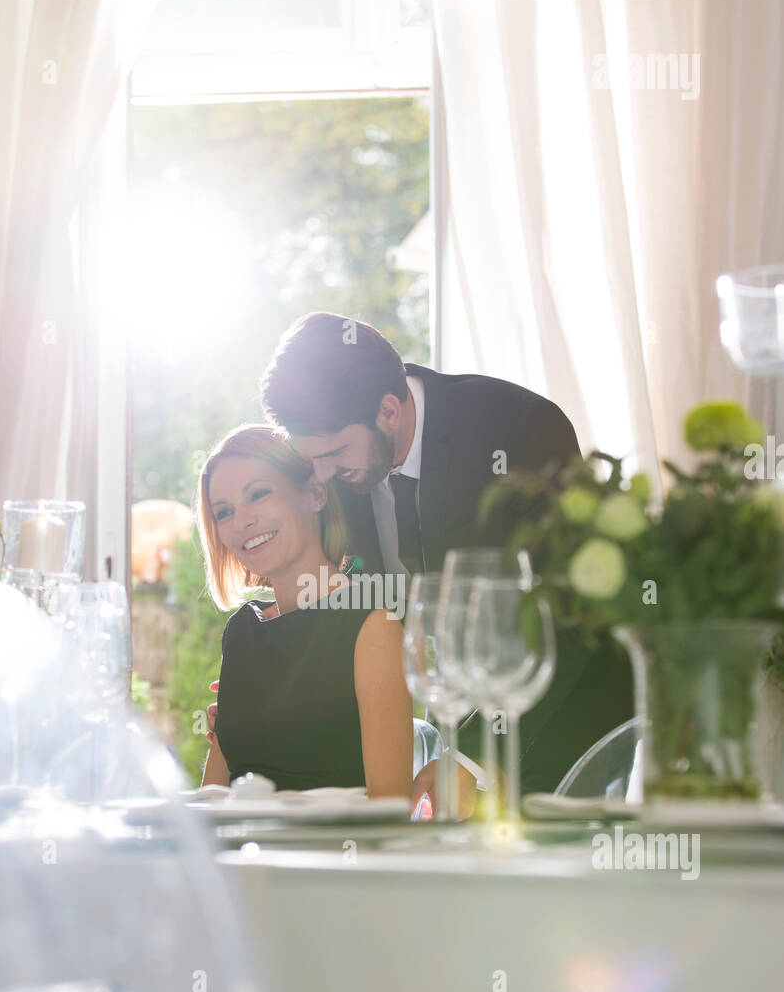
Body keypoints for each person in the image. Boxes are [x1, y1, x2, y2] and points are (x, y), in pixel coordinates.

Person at [257, 311, 634, 810]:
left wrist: (472, 757)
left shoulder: (519, 427)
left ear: (388, 410)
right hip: (454, 730)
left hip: (569, 733)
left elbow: (571, 611)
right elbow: (353, 610)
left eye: (336, 452)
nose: (323, 475)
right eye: (313, 459)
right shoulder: (339, 470)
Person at [198, 424, 412, 799]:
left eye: (258, 494)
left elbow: (389, 807)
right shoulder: (242, 630)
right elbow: (213, 798)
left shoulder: (373, 624)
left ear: (315, 494)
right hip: (243, 838)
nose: (242, 521)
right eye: (224, 512)